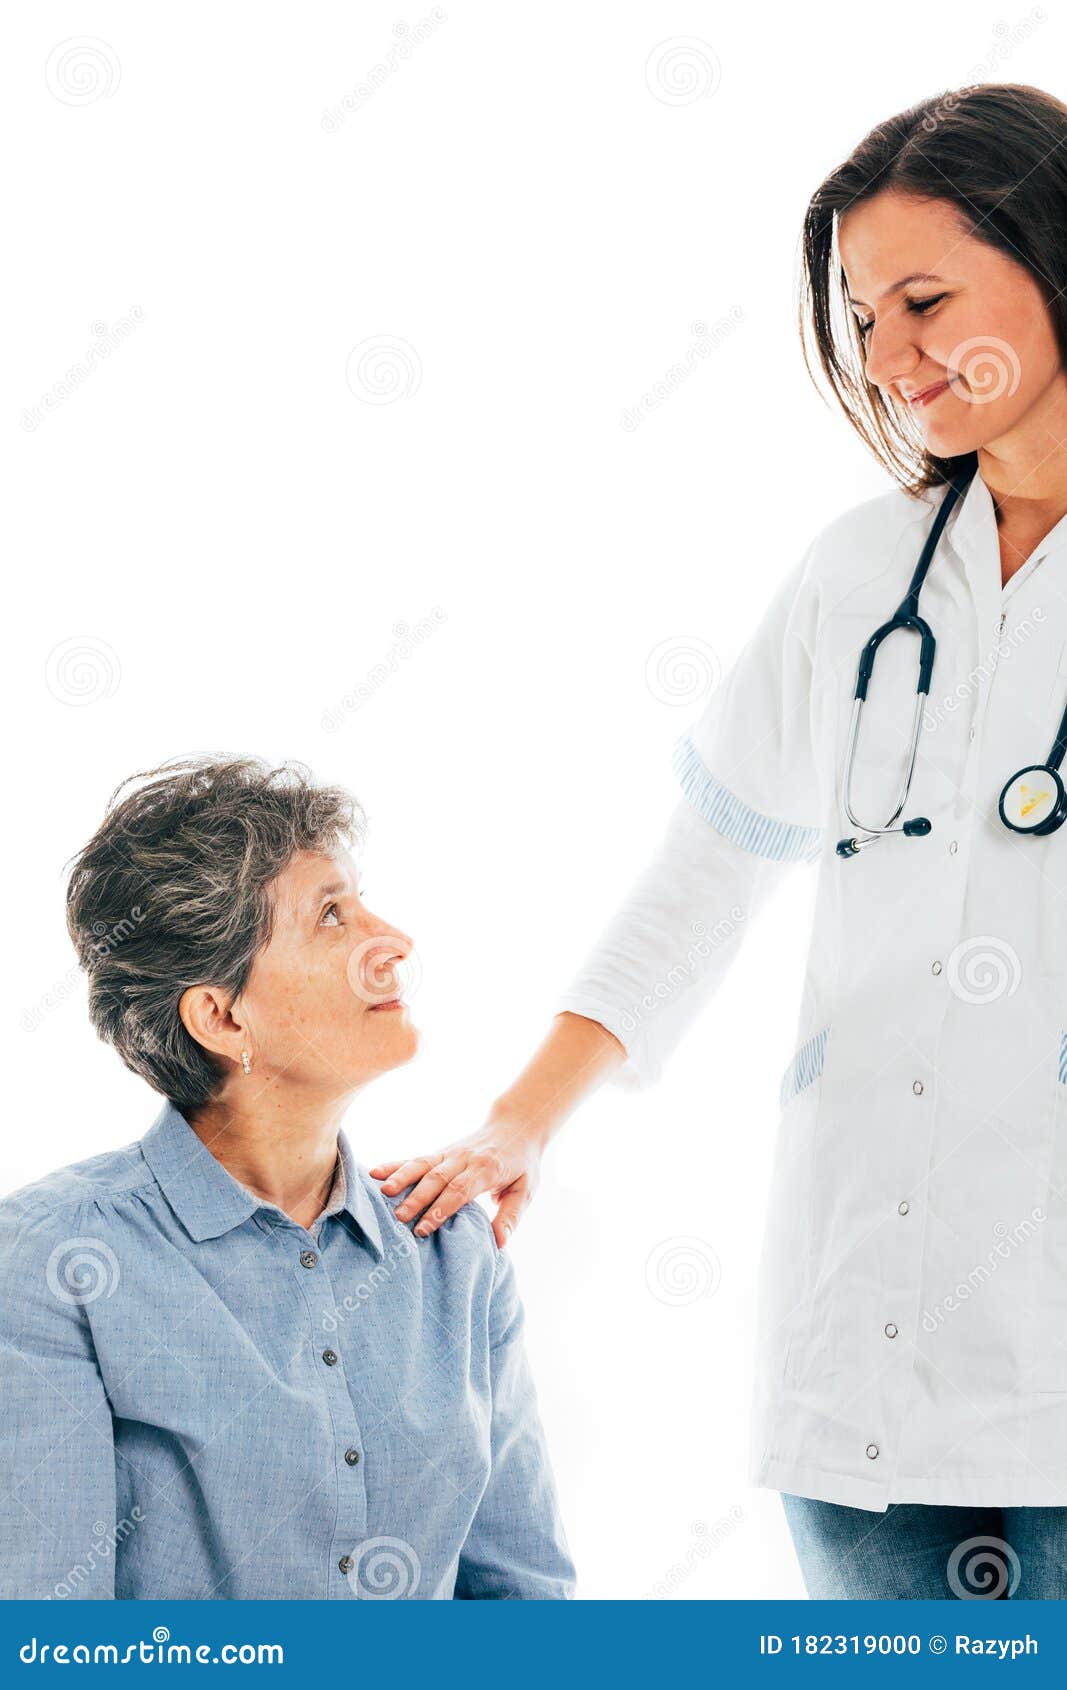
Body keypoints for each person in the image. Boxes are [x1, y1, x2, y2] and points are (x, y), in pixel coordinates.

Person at [369, 82, 1067, 1600]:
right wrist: (520, 1118)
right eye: (862, 316)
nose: (884, 360)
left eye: (923, 301)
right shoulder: (858, 576)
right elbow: (707, 871)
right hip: (859, 1377)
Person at [0, 757, 575, 1600]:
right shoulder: (56, 1264)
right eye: (331, 916)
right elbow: (51, 1635)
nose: (393, 941)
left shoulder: (453, 1249)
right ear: (221, 1015)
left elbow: (526, 1601)